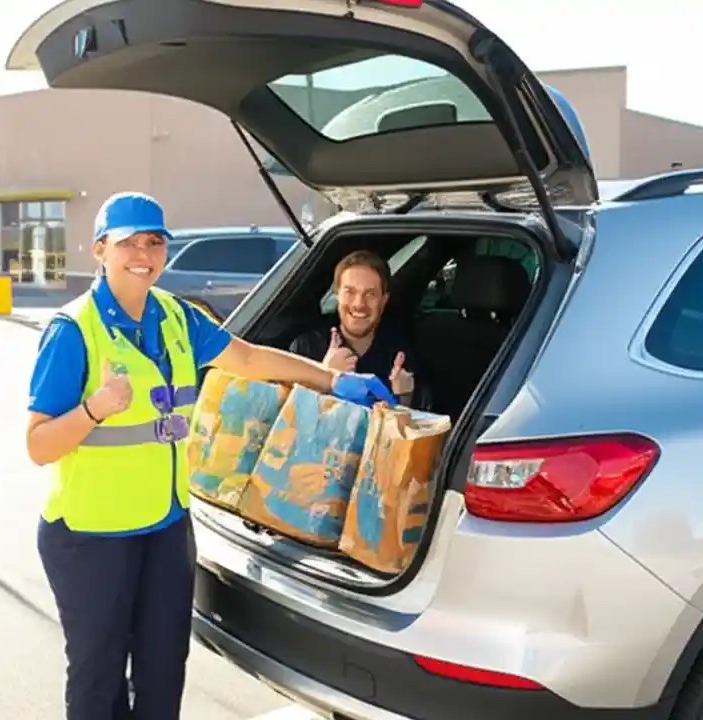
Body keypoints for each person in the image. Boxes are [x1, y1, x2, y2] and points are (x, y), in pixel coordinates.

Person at [25, 192, 396, 720]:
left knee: (163, 670)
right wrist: (94, 409)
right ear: (99, 251)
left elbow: (246, 358)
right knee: (98, 676)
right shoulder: (73, 331)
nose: (143, 253)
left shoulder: (176, 316)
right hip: (90, 537)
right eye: (129, 241)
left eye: (154, 241)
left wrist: (335, 379)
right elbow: (38, 445)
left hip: (166, 527)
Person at [289, 250, 421, 405]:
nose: (359, 304)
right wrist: (326, 378)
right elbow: (289, 420)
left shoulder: (401, 355)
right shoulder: (305, 348)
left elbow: (417, 425)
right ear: (337, 295)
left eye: (370, 294)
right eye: (349, 292)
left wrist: (405, 396)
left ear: (384, 300)